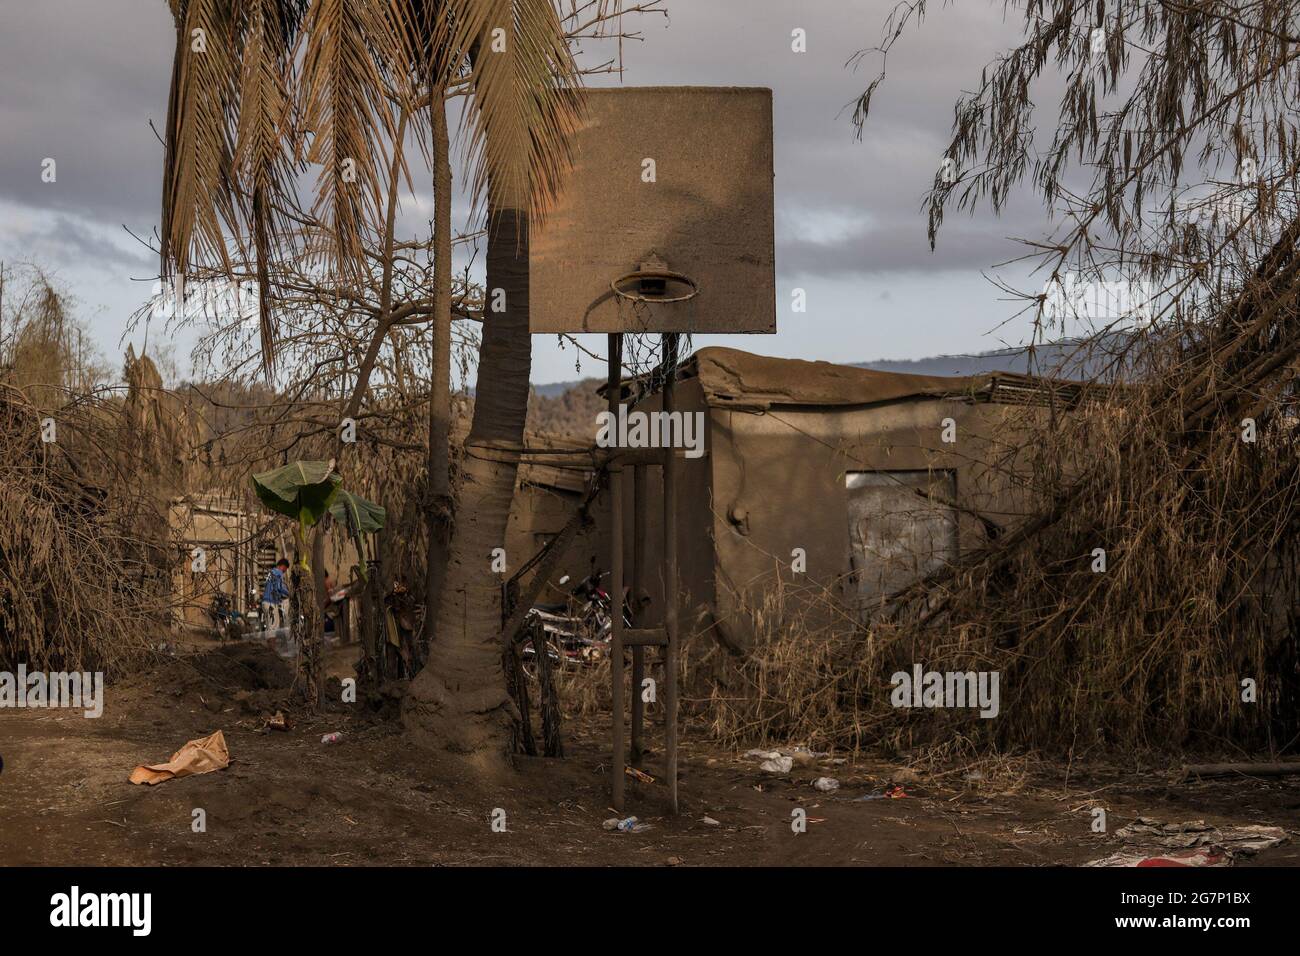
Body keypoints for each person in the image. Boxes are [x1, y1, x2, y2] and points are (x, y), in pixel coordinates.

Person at [261, 558, 290, 631]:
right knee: (274, 628)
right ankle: (272, 642)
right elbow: (279, 587)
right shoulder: (278, 573)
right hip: (271, 603)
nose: (284, 572)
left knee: (269, 628)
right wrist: (289, 593)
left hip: (265, 602)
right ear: (283, 566)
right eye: (285, 570)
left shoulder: (271, 573)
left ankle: (270, 642)